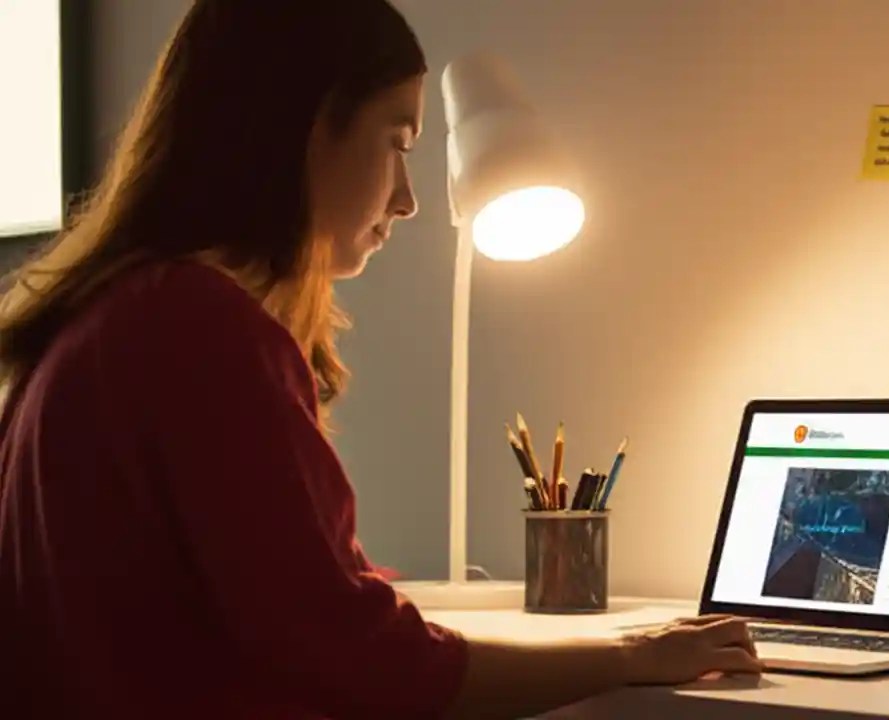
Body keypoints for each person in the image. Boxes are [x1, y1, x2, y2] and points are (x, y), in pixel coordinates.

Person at [0, 1, 761, 718]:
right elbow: (366, 662)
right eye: (397, 141)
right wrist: (623, 656)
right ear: (300, 127)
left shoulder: (103, 318)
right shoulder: (199, 332)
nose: (407, 199)